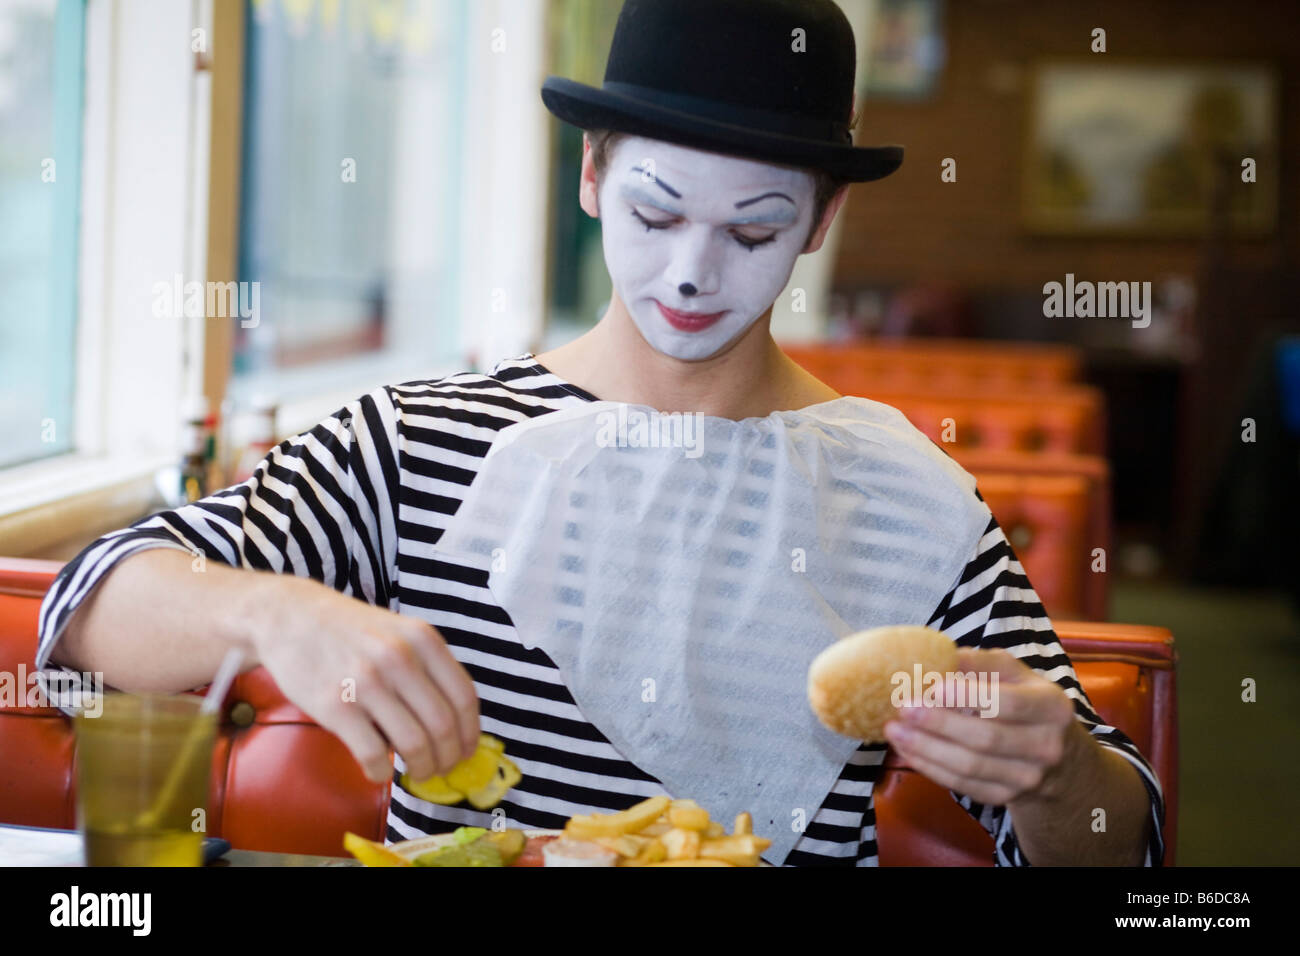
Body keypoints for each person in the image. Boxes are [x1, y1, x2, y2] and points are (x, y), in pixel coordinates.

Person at [36, 0, 1163, 865]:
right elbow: (85, 605)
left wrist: (1052, 771)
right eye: (656, 211)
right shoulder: (418, 440)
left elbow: (1127, 844)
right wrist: (273, 608)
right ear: (589, 174)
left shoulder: (905, 499)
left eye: (753, 228)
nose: (691, 271)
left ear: (821, 219)